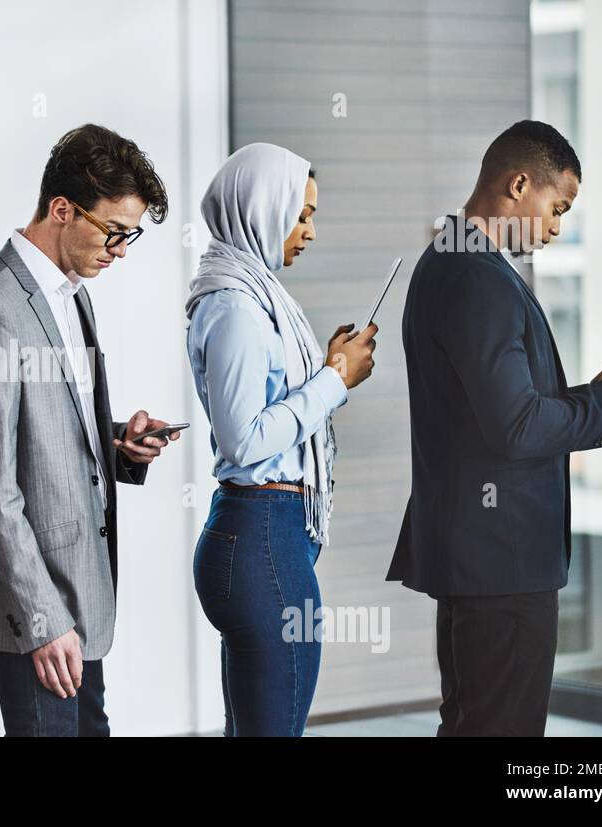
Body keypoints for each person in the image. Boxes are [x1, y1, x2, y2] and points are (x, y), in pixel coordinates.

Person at [387, 120, 602, 736]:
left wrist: (594, 395)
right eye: (557, 207)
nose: (558, 227)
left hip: (479, 557)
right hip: (502, 563)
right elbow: (515, 427)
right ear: (519, 184)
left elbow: (495, 409)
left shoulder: (454, 259)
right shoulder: (478, 277)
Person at [0, 124, 179, 736]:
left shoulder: (73, 294)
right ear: (61, 209)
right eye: (114, 232)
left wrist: (120, 442)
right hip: (38, 612)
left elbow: (55, 427)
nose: (121, 250)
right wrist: (44, 619)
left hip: (84, 596)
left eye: (132, 236)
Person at [184, 144, 377, 736]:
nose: (310, 232)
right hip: (264, 534)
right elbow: (245, 440)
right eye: (302, 214)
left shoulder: (251, 295)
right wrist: (333, 381)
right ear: (262, 209)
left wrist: (324, 373)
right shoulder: (237, 306)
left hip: (265, 533)